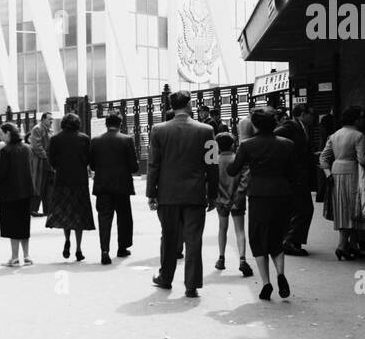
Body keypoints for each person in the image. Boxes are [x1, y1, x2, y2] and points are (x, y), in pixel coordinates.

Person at [146, 91, 218, 298]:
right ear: (190, 104)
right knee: (194, 239)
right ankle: (192, 284)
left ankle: (165, 278)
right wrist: (212, 194)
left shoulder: (158, 130)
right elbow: (212, 164)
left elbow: (153, 164)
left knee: (169, 238)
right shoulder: (207, 130)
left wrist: (151, 193)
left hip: (167, 194)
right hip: (195, 194)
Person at [229, 108, 297, 300]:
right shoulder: (288, 144)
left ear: (255, 125)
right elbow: (295, 174)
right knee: (277, 236)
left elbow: (233, 170)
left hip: (259, 195)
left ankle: (266, 283)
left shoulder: (248, 145)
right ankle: (281, 274)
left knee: (258, 238)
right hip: (282, 194)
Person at [319, 105, 365, 259]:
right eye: (361, 117)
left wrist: (328, 173)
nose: (363, 120)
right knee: (355, 208)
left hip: (336, 172)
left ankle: (350, 245)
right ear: (356, 119)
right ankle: (344, 245)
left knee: (342, 209)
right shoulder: (359, 135)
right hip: (353, 172)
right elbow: (363, 159)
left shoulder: (334, 135)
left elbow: (323, 157)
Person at [89, 110, 138, 264]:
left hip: (103, 186)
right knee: (124, 218)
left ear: (106, 124)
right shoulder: (127, 140)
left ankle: (104, 251)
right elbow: (134, 167)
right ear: (120, 124)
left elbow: (93, 166)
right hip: (122, 186)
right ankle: (122, 247)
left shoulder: (96, 141)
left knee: (104, 218)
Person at [45, 112, 95, 261]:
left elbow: (51, 160)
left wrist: (59, 167)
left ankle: (67, 240)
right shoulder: (84, 139)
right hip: (79, 180)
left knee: (66, 214)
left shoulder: (55, 139)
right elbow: (88, 159)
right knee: (79, 215)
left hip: (62, 181)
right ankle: (79, 249)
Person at [0, 121, 34, 266]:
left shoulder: (6, 150)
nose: (0, 136)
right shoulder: (27, 148)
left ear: (8, 133)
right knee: (24, 224)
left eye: (2, 133)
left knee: (13, 225)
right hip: (26, 191)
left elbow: (1, 173)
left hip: (10, 193)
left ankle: (14, 258)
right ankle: (26, 256)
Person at [275, 105, 314, 256]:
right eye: (311, 114)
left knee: (299, 208)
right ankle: (289, 241)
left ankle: (293, 240)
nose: (313, 117)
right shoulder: (290, 126)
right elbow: (275, 136)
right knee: (303, 208)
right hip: (293, 175)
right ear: (303, 114)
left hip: (299, 175)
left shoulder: (302, 127)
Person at [213, 132, 251, 276]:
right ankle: (242, 259)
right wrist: (238, 194)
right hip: (237, 200)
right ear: (232, 144)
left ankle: (221, 258)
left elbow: (212, 182)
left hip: (221, 200)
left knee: (222, 228)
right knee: (239, 230)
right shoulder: (238, 159)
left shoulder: (214, 161)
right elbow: (245, 178)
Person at [27, 112, 54, 215]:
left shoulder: (49, 129)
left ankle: (47, 209)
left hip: (46, 160)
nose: (51, 121)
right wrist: (45, 157)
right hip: (39, 160)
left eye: (52, 119)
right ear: (43, 119)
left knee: (47, 185)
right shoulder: (37, 128)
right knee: (39, 184)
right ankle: (33, 209)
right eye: (49, 119)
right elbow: (36, 145)